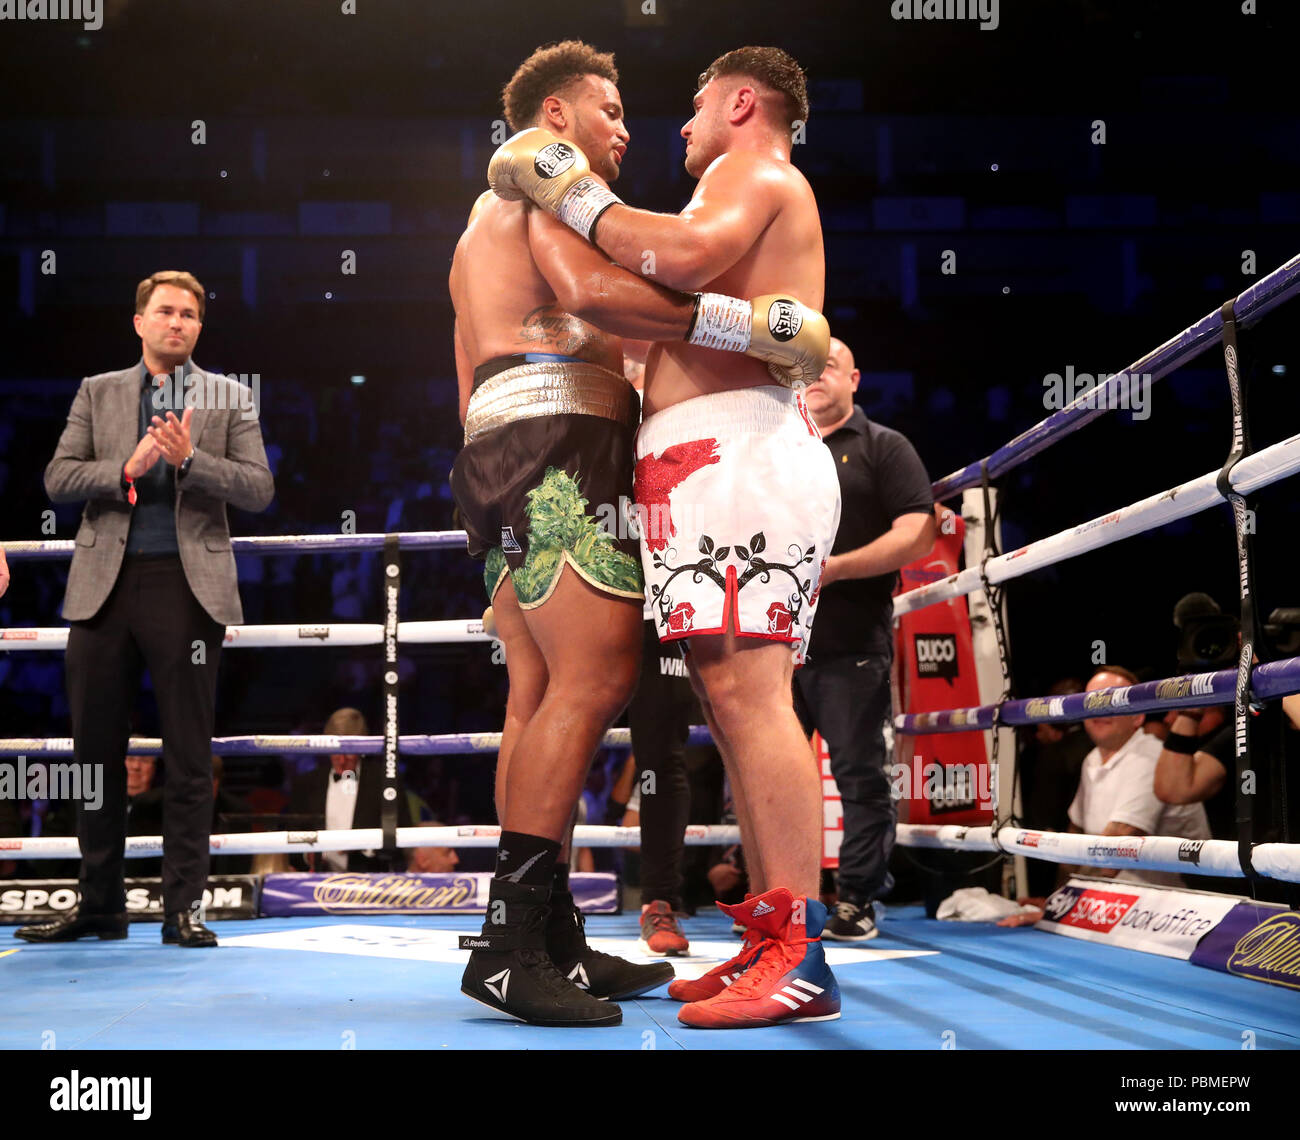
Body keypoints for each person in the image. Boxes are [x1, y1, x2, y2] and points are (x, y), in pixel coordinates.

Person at [455, 41, 825, 1027]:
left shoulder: (492, 210)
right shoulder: (544, 184)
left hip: (506, 446)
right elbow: (600, 296)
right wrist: (760, 329)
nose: (630, 127)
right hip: (553, 446)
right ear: (559, 116)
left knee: (539, 692)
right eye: (610, 110)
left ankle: (545, 940)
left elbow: (562, 334)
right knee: (592, 679)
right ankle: (510, 943)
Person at [16, 270, 274, 949]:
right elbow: (57, 476)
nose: (179, 322)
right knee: (93, 752)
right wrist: (123, 470)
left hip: (186, 589)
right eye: (166, 311)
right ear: (139, 321)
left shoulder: (229, 396)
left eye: (190, 313)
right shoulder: (97, 392)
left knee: (189, 754)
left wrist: (193, 462)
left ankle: (182, 907)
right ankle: (100, 903)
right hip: (105, 584)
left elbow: (258, 487)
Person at [794, 335, 936, 940]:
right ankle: (783, 899)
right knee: (765, 774)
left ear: (856, 378)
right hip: (773, 645)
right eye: (809, 364)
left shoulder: (884, 447)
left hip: (851, 641)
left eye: (832, 363)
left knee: (858, 774)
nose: (819, 372)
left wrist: (835, 568)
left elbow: (920, 533)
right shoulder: (777, 448)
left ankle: (854, 900)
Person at [288, 707, 412, 872]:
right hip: (319, 880)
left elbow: (403, 833)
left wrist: (363, 845)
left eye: (349, 754)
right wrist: (307, 856)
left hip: (369, 878)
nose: (342, 760)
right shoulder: (307, 784)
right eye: (336, 753)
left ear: (362, 750)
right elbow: (292, 836)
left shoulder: (385, 781)